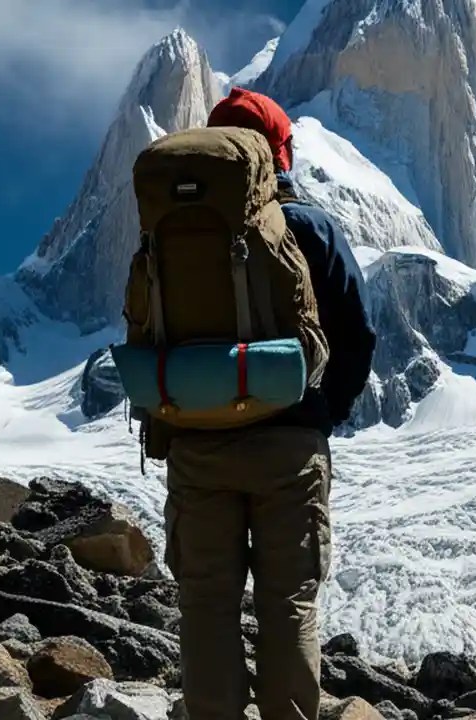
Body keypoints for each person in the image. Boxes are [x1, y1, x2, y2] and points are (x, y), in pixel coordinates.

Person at [162, 87, 376, 720]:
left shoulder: (175, 231)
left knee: (206, 605)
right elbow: (357, 335)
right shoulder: (310, 225)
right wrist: (318, 416)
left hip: (197, 445)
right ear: (280, 152)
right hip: (290, 446)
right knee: (288, 605)